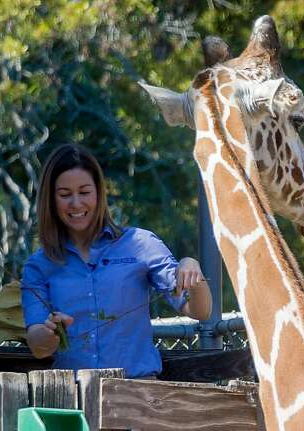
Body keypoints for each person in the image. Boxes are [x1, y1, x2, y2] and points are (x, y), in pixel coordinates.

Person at [22, 144, 212, 378]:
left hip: (137, 394)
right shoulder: (38, 266)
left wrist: (191, 266)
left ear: (99, 193)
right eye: (64, 195)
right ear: (50, 200)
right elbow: (39, 347)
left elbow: (198, 311)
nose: (76, 203)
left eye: (84, 192)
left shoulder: (140, 243)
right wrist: (50, 331)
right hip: (70, 398)